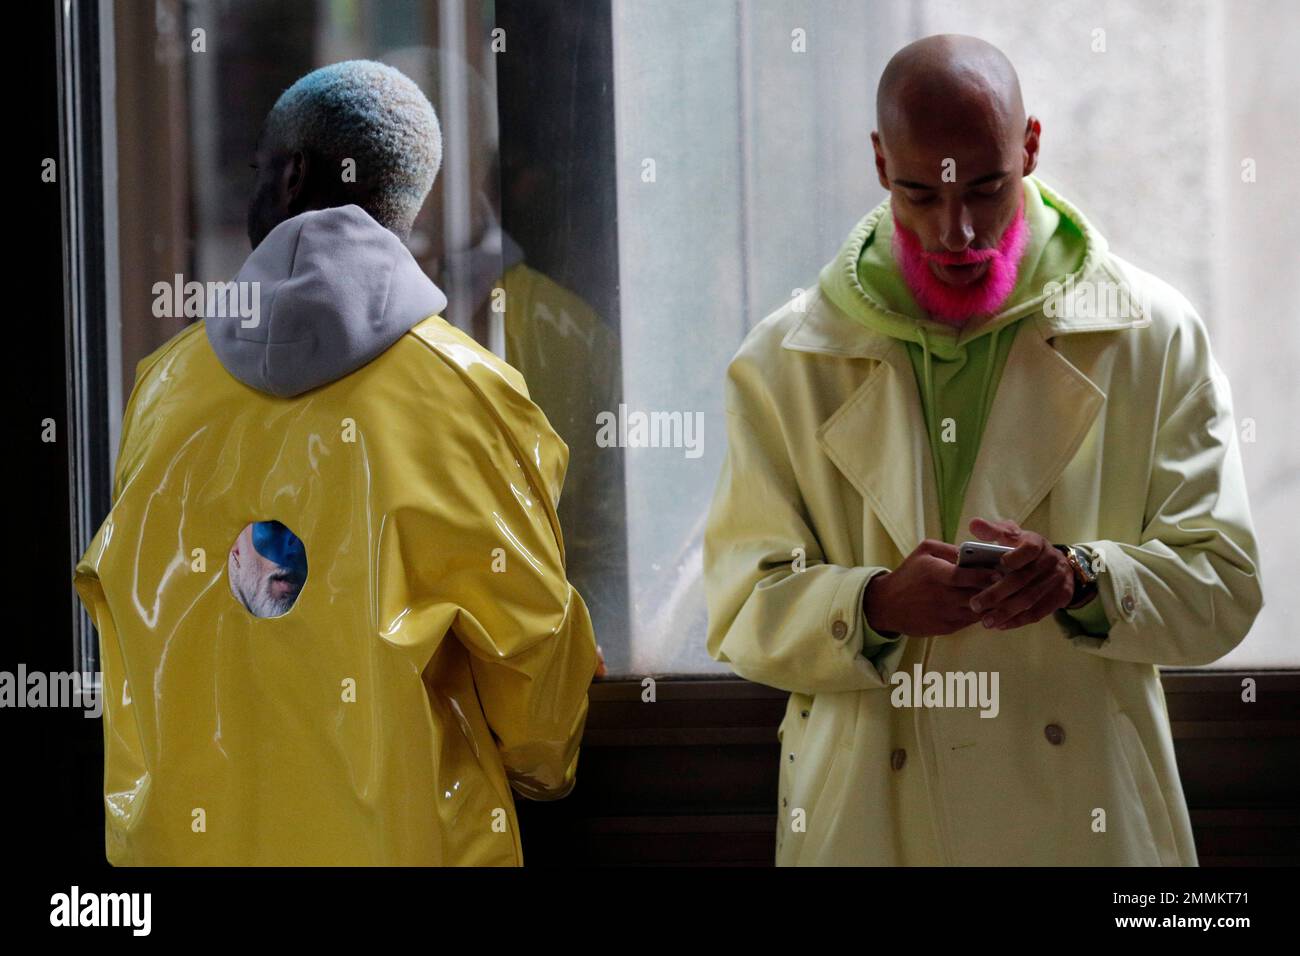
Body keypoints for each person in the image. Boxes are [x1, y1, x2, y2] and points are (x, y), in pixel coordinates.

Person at [703, 35, 1263, 866]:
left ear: (1031, 145)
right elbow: (740, 608)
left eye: (988, 188)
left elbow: (1224, 586)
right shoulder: (785, 359)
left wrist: (1082, 578)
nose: (955, 232)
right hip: (867, 823)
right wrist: (877, 604)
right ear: (877, 161)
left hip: (1086, 820)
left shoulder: (1153, 336)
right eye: (919, 192)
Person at [74, 59, 600, 865]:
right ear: (410, 201)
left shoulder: (164, 387)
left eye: (256, 169)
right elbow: (535, 706)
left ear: (288, 179)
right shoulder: (471, 396)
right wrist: (546, 761)